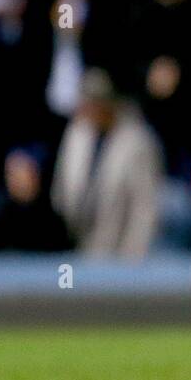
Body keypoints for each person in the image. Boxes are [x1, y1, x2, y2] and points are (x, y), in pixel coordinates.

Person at [52, 69, 163, 258]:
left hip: (116, 251)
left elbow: (144, 209)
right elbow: (61, 189)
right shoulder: (77, 132)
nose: (89, 108)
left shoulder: (137, 141)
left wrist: (131, 260)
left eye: (95, 102)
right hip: (74, 246)